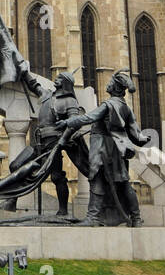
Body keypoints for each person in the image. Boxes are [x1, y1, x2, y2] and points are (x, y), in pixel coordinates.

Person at [64, 70, 152, 227]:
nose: (108, 84)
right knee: (124, 183)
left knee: (97, 179)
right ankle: (136, 218)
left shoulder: (108, 105)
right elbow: (136, 134)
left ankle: (93, 217)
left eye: (110, 82)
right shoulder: (126, 108)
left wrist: (67, 122)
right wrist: (144, 139)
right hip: (118, 150)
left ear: (115, 87)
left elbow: (88, 118)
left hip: (103, 148)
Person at [7, 67, 88, 217]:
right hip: (38, 142)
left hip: (54, 142)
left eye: (60, 78)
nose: (56, 79)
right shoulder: (46, 95)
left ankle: (63, 211)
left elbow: (75, 121)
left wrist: (63, 135)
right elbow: (34, 85)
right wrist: (24, 72)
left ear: (65, 83)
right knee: (16, 165)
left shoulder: (69, 100)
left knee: (57, 176)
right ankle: (11, 201)